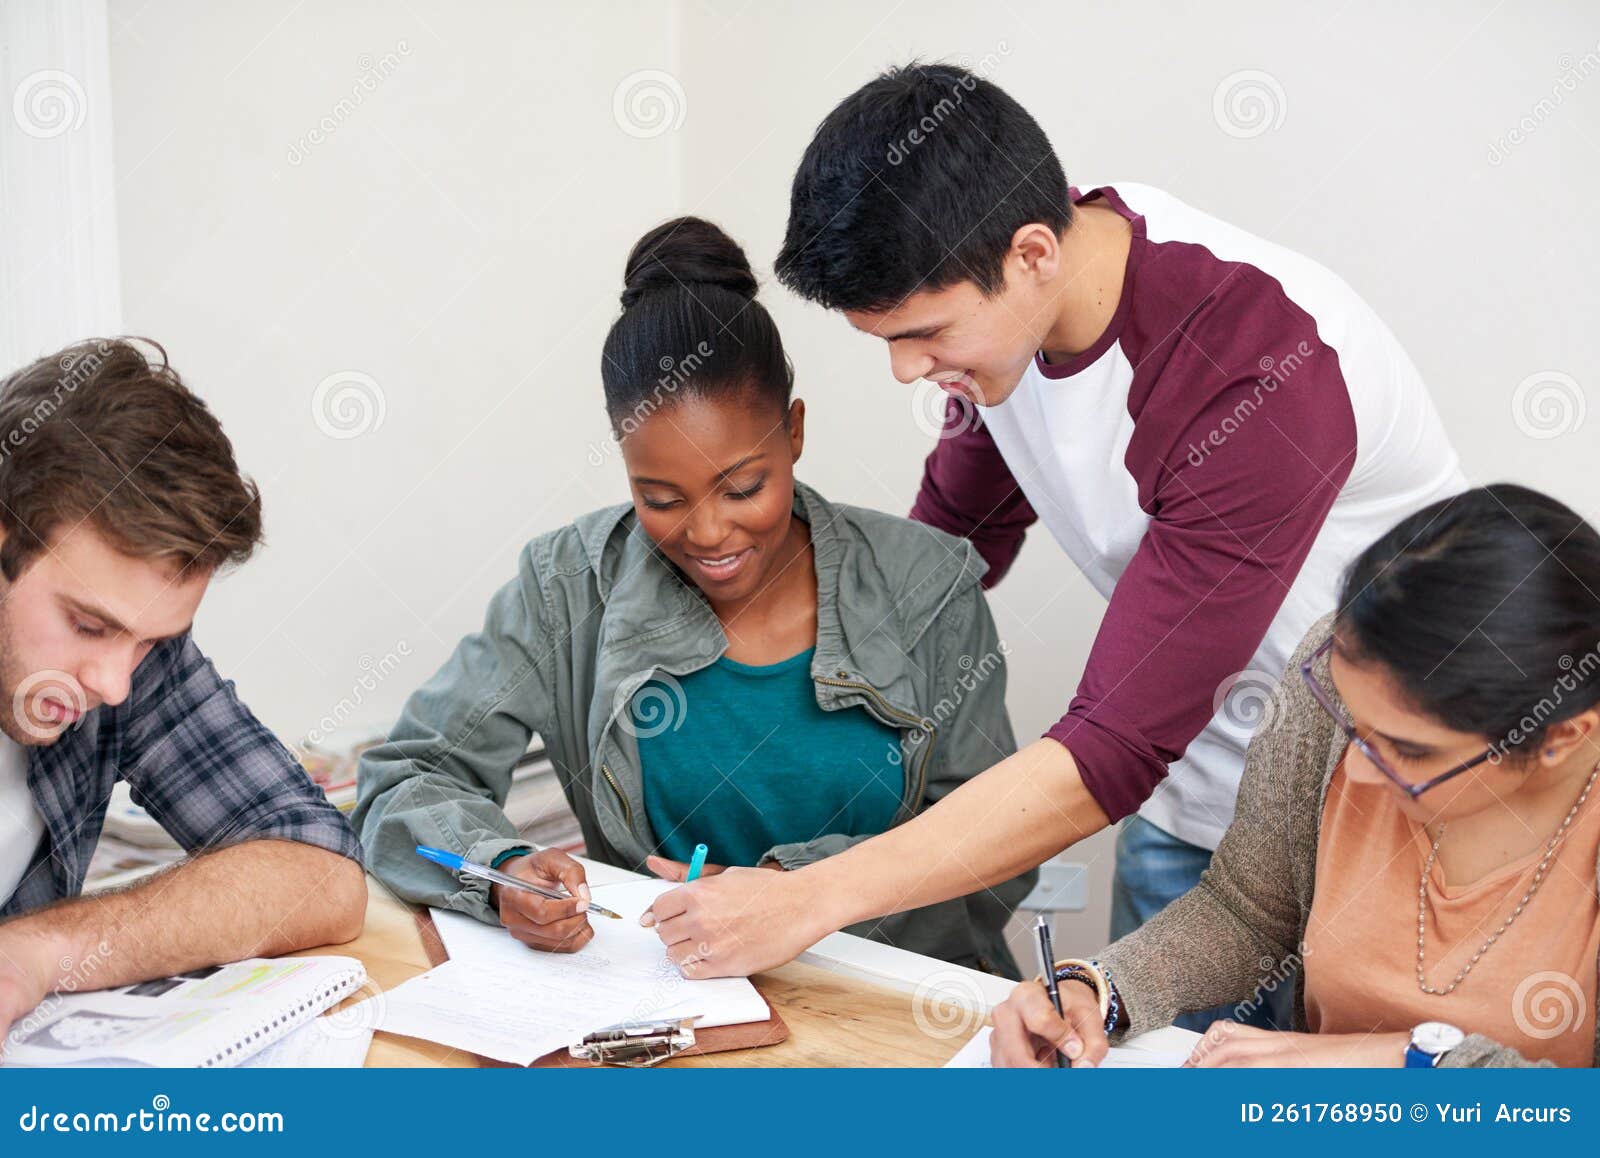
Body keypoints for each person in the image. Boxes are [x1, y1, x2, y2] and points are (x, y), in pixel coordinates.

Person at [640, 65, 1465, 1015]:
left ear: (1033, 254)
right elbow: (946, 557)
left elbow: (1112, 743)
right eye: (885, 340)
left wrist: (810, 900)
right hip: (1195, 819)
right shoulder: (1020, 306)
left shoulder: (1257, 370)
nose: (908, 370)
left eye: (925, 332)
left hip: (1387, 823)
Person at [353, 218, 1035, 975]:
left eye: (742, 487)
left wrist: (798, 899)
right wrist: (500, 869)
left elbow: (997, 850)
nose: (708, 533)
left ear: (794, 432)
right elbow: (407, 780)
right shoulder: (568, 585)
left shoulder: (928, 586)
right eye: (661, 498)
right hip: (670, 1009)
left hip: (888, 1011)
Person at [989, 485, 1600, 1068]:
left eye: (1408, 751)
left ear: (1562, 737)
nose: (1354, 770)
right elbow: (1247, 913)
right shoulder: (1338, 667)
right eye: (1351, 724)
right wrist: (1098, 987)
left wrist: (1409, 1060)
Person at [0, 339, 366, 1042]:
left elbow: (321, 873)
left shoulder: (130, 660)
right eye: (87, 625)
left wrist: (41, 951)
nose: (114, 685)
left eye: (149, 641)